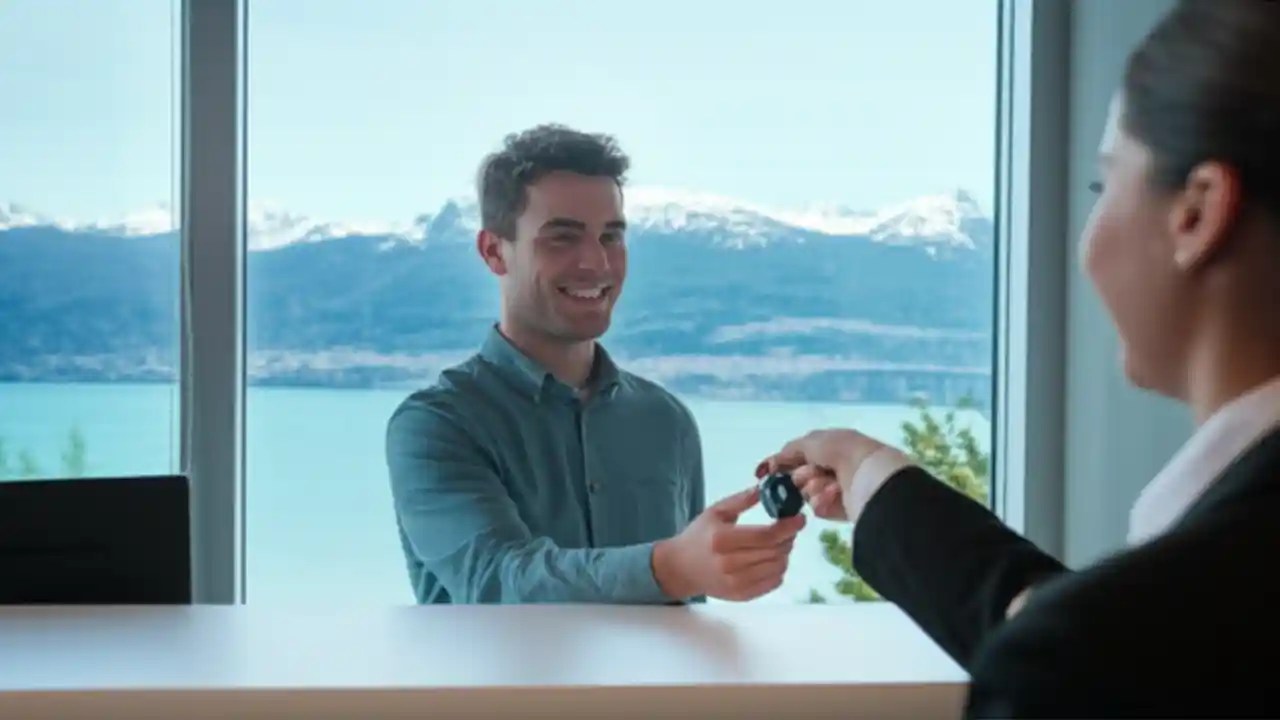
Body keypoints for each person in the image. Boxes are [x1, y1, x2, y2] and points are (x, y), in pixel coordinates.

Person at [759, 1, 1280, 716]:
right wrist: (878, 479)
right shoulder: (1173, 618)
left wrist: (1060, 646)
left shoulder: (1107, 653)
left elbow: (1104, 651)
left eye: (1105, 185)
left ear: (1196, 212)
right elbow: (1068, 621)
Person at [386, 124, 803, 604]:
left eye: (610, 237)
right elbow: (496, 580)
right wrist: (672, 566)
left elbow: (688, 610)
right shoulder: (436, 425)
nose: (596, 263)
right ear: (494, 251)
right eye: (562, 238)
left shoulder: (665, 420)